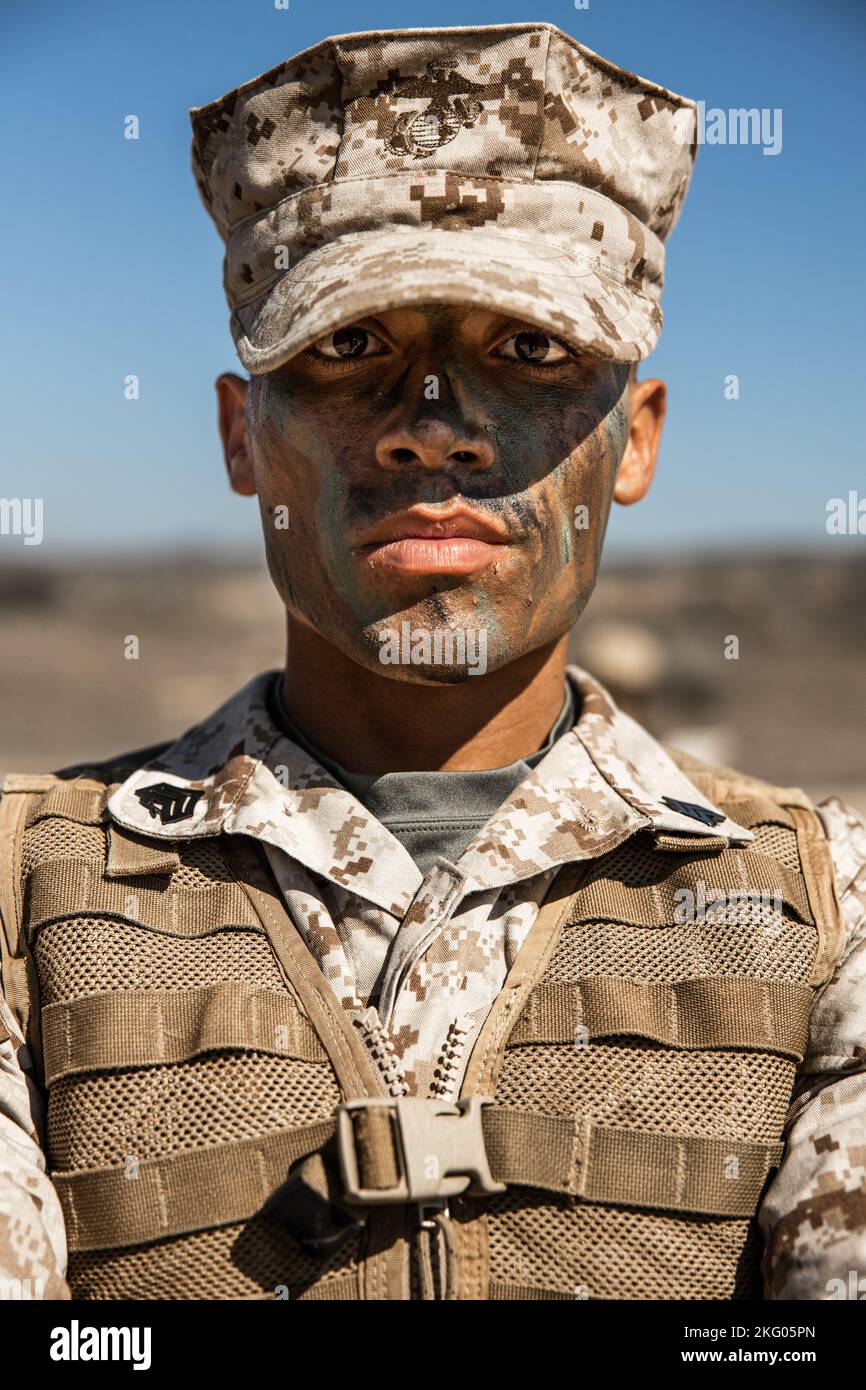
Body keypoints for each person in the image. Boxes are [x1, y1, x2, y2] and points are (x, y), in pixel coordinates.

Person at [1, 20, 863, 1302]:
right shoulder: (26, 903)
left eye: (529, 351)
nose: (432, 431)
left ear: (634, 438)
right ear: (243, 437)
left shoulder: (828, 907)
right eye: (350, 349)